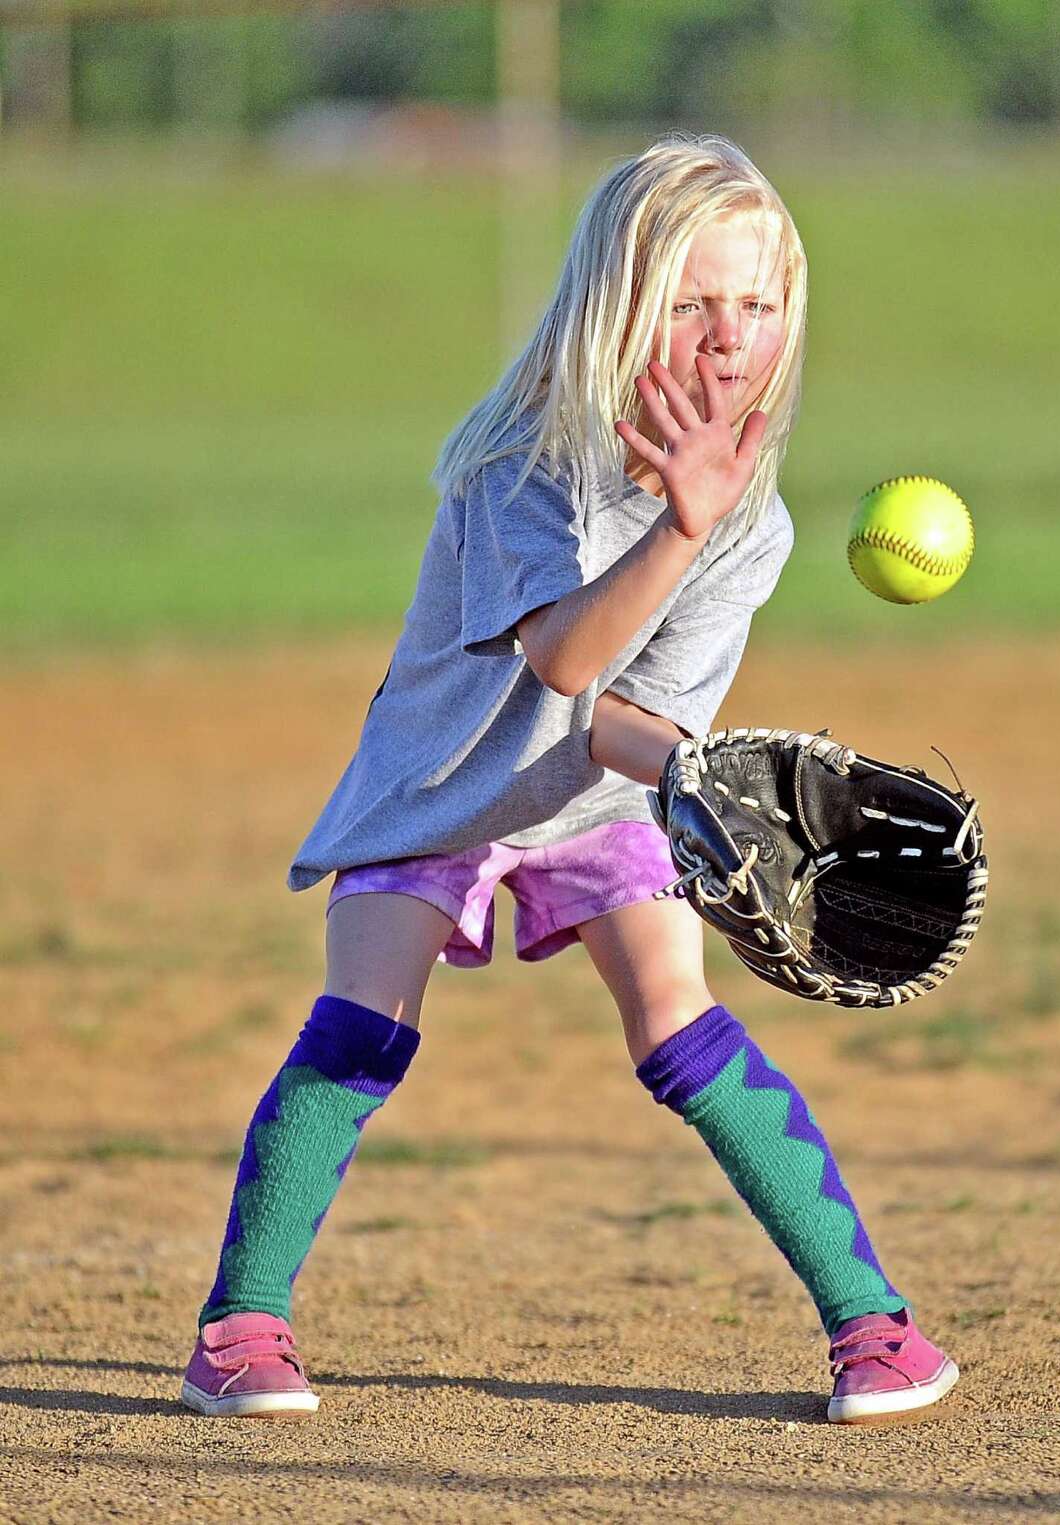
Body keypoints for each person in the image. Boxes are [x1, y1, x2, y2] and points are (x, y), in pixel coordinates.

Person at [180, 132, 958, 1426]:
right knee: (369, 1016)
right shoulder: (531, 461)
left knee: (678, 1013)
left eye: (759, 303)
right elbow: (564, 659)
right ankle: (238, 1324)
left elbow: (623, 721)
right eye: (696, 300)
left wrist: (715, 778)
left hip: (588, 792)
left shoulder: (748, 516)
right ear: (622, 304)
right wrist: (679, 524)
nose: (730, 334)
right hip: (440, 775)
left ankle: (875, 1325)